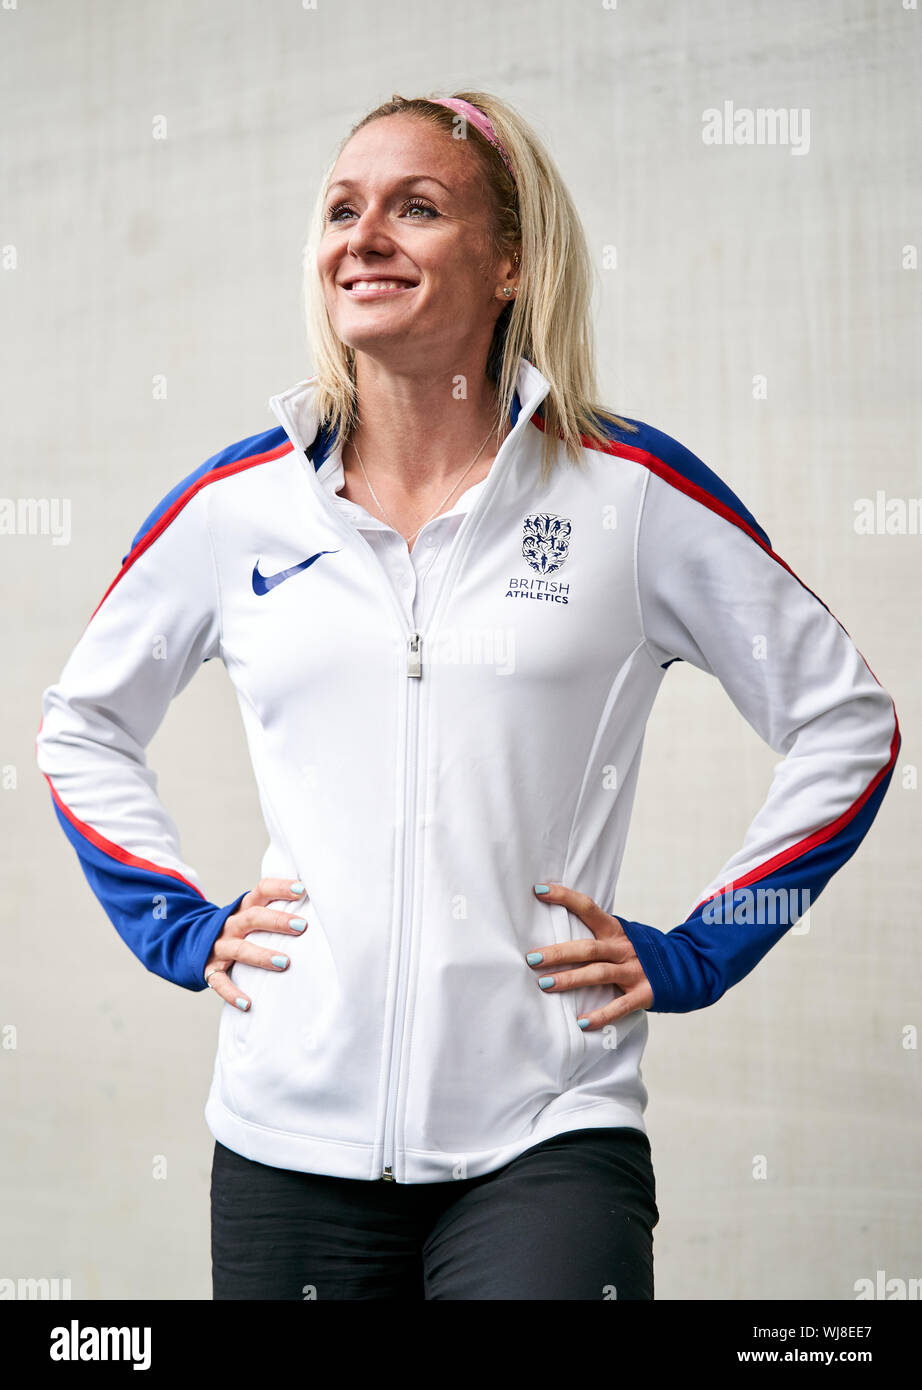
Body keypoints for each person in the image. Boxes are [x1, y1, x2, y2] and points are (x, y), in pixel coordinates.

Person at [35, 90, 900, 1302]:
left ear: (508, 265)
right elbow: (81, 724)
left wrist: (708, 947)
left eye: (417, 207)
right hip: (287, 1139)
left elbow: (845, 722)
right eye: (343, 209)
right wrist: (175, 925)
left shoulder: (628, 492)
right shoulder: (236, 506)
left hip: (547, 1131)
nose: (364, 236)